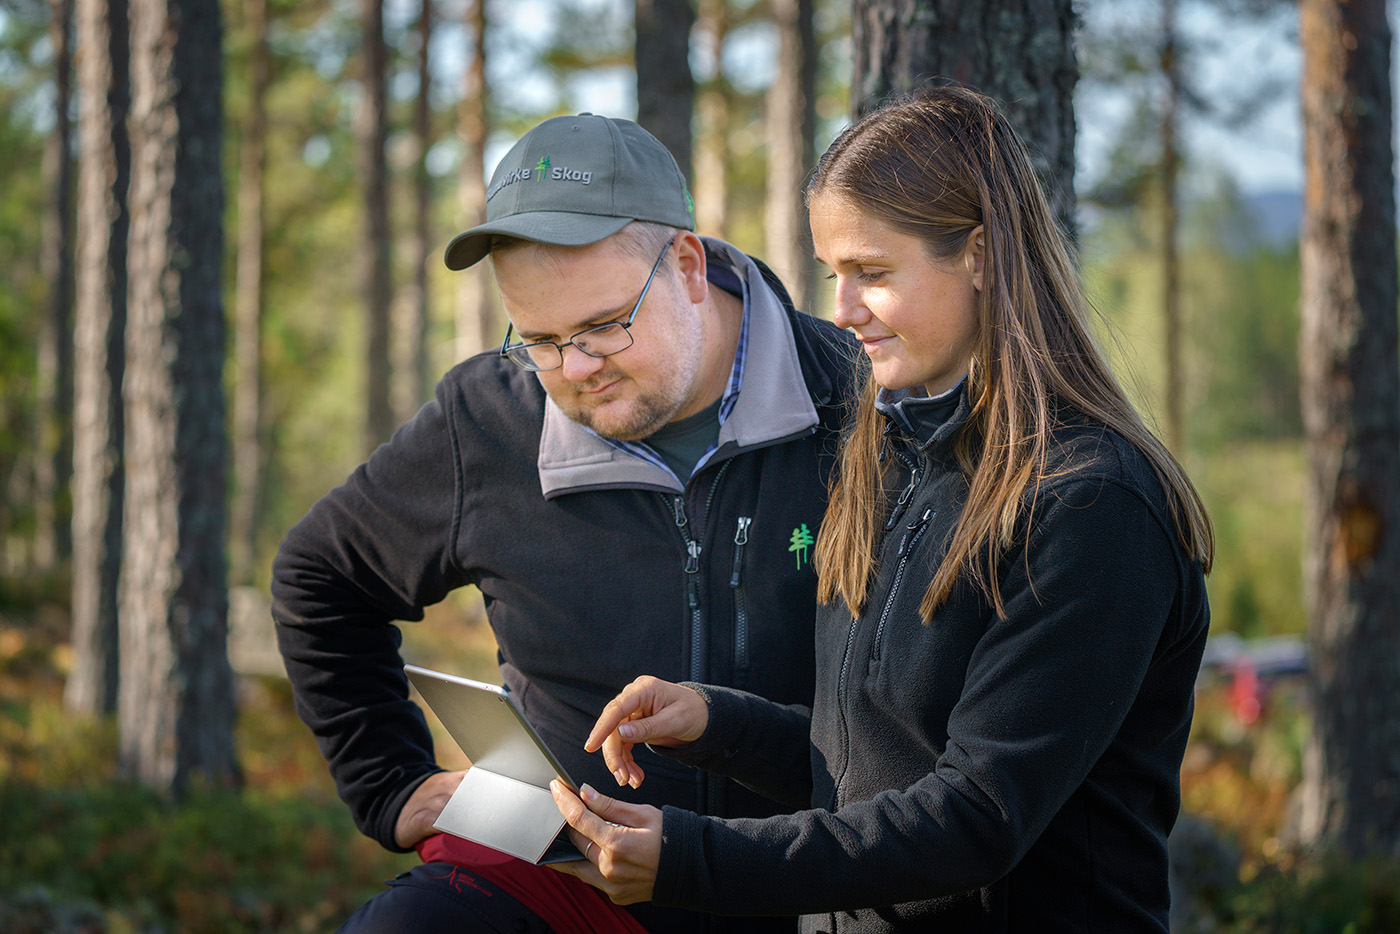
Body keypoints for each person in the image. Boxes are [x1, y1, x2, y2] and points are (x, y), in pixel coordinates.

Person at [549, 86, 1215, 933]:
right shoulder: (896, 461)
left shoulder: (1092, 505)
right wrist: (718, 722)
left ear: (979, 255)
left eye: (873, 273)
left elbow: (976, 817)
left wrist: (694, 859)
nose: (842, 310)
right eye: (835, 274)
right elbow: (872, 771)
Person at [271, 113, 856, 934]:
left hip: (809, 883)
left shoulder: (857, 399)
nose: (573, 370)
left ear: (688, 266)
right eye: (540, 339)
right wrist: (389, 782)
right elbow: (320, 577)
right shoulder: (489, 418)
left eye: (602, 325)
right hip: (563, 876)